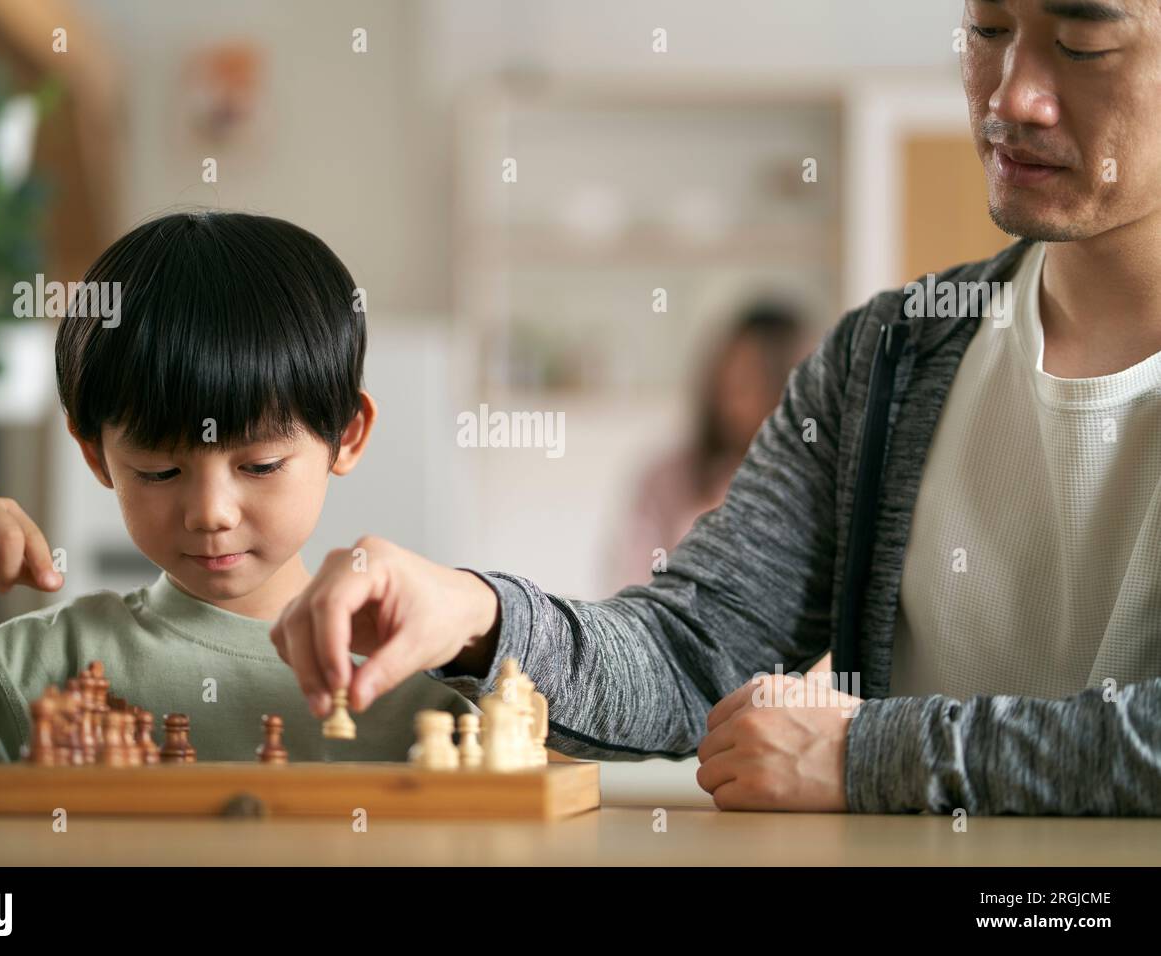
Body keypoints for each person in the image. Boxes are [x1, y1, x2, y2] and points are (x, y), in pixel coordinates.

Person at [269, 0, 1161, 815]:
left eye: (1083, 41)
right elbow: (692, 653)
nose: (1013, 99)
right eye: (987, 31)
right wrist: (473, 615)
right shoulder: (888, 357)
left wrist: (870, 755)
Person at [0, 211, 475, 799]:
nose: (210, 512)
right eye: (159, 471)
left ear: (347, 435)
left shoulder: (420, 663)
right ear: (97, 455)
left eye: (259, 466)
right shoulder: (47, 667)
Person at [609, 301, 812, 591]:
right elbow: (625, 589)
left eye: (748, 384)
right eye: (725, 382)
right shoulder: (665, 478)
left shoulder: (815, 487)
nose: (730, 403)